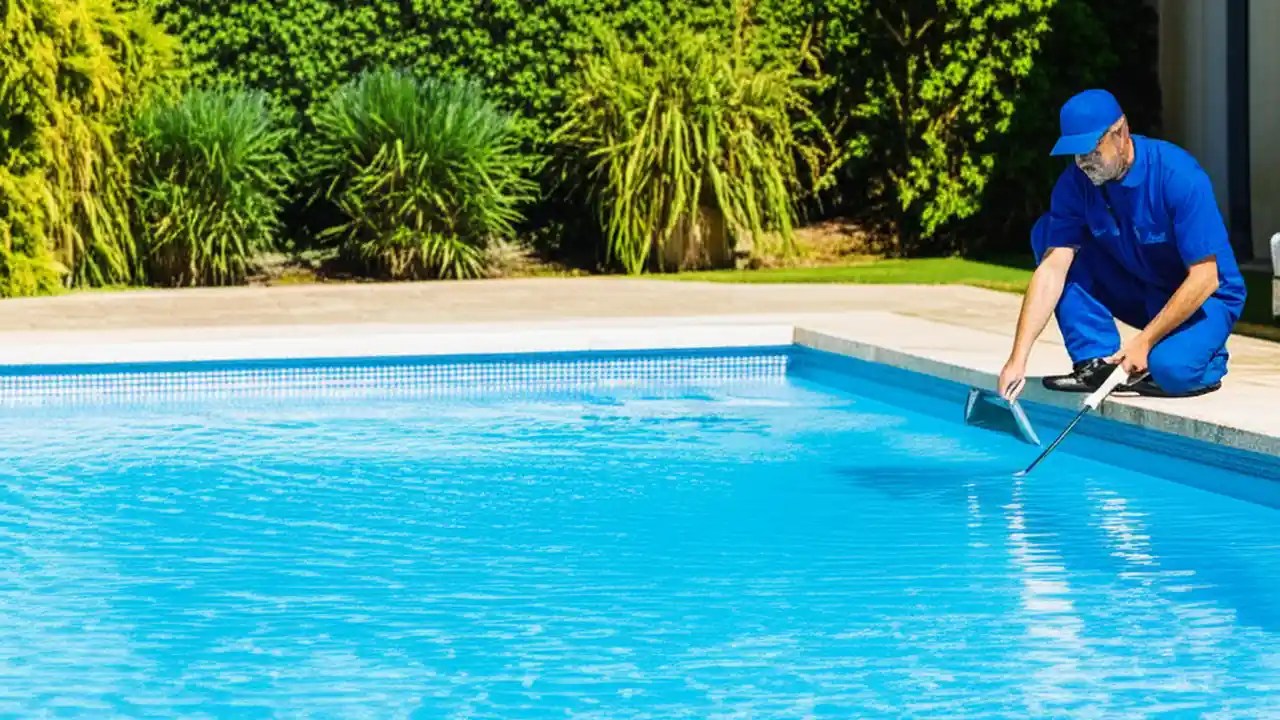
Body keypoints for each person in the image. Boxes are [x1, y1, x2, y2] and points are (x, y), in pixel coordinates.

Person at [998, 88, 1247, 402]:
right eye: (1075, 154)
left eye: (1090, 150)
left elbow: (1206, 277)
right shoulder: (1075, 183)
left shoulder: (1178, 175)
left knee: (1170, 370)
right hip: (1141, 284)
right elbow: (1052, 271)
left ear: (1120, 133)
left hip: (1205, 295)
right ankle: (1094, 361)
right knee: (1047, 233)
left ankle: (1207, 356)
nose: (1083, 162)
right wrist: (1017, 359)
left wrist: (1144, 342)